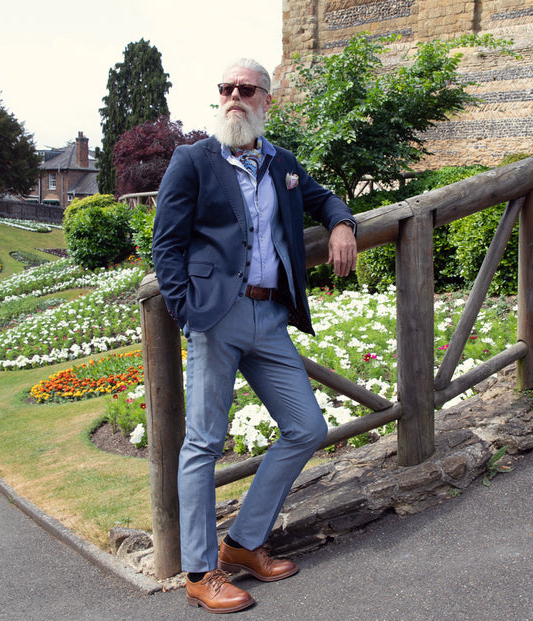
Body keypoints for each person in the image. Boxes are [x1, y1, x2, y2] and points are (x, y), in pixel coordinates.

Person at [151, 58, 357, 613]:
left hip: (270, 319)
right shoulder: (192, 160)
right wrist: (189, 312)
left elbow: (325, 198)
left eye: (246, 89)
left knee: (306, 427)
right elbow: (164, 247)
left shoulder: (281, 162)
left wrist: (341, 224)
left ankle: (242, 543)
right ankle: (200, 571)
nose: (233, 97)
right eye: (225, 88)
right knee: (203, 444)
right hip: (216, 320)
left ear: (267, 99)